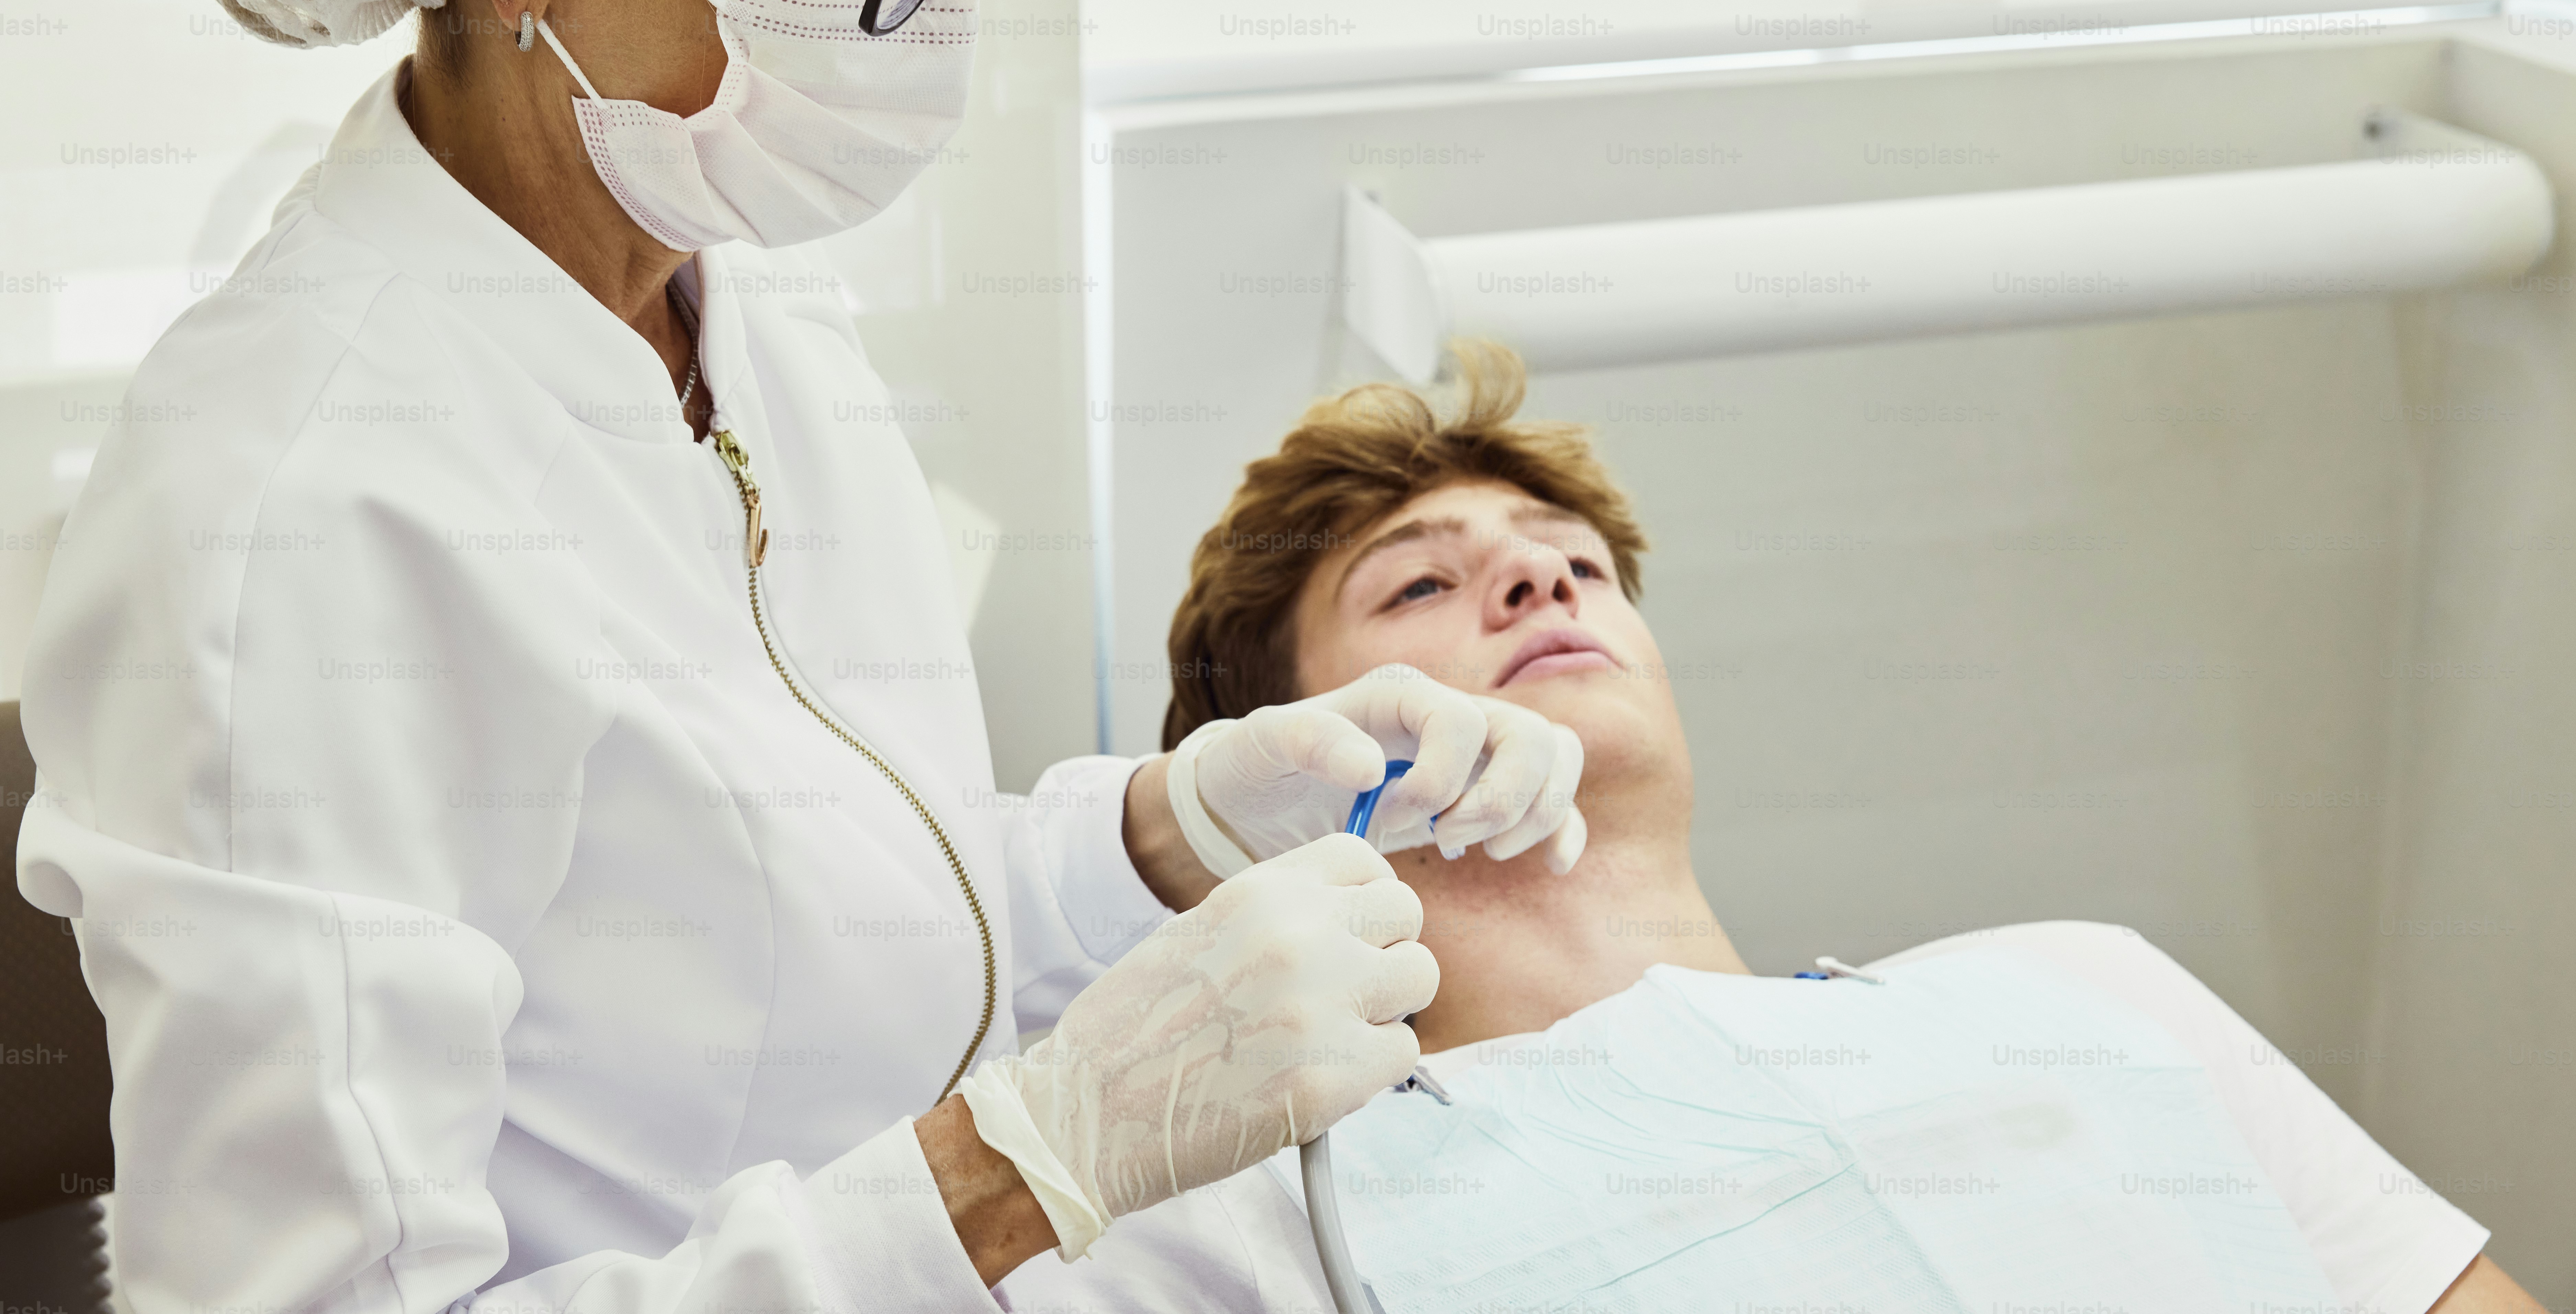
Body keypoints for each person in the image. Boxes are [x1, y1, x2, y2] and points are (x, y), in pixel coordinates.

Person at [11, 0, 1586, 1309]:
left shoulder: (734, 291)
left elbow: (827, 930)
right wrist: (1025, 1165)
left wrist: (1167, 832)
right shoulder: (288, 523)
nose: (944, 7)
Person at [997, 341, 2542, 1313]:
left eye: (1573, 562)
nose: (1544, 581)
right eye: (1421, 582)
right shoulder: (1222, 1220)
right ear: (1274, 773)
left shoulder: (2085, 991)